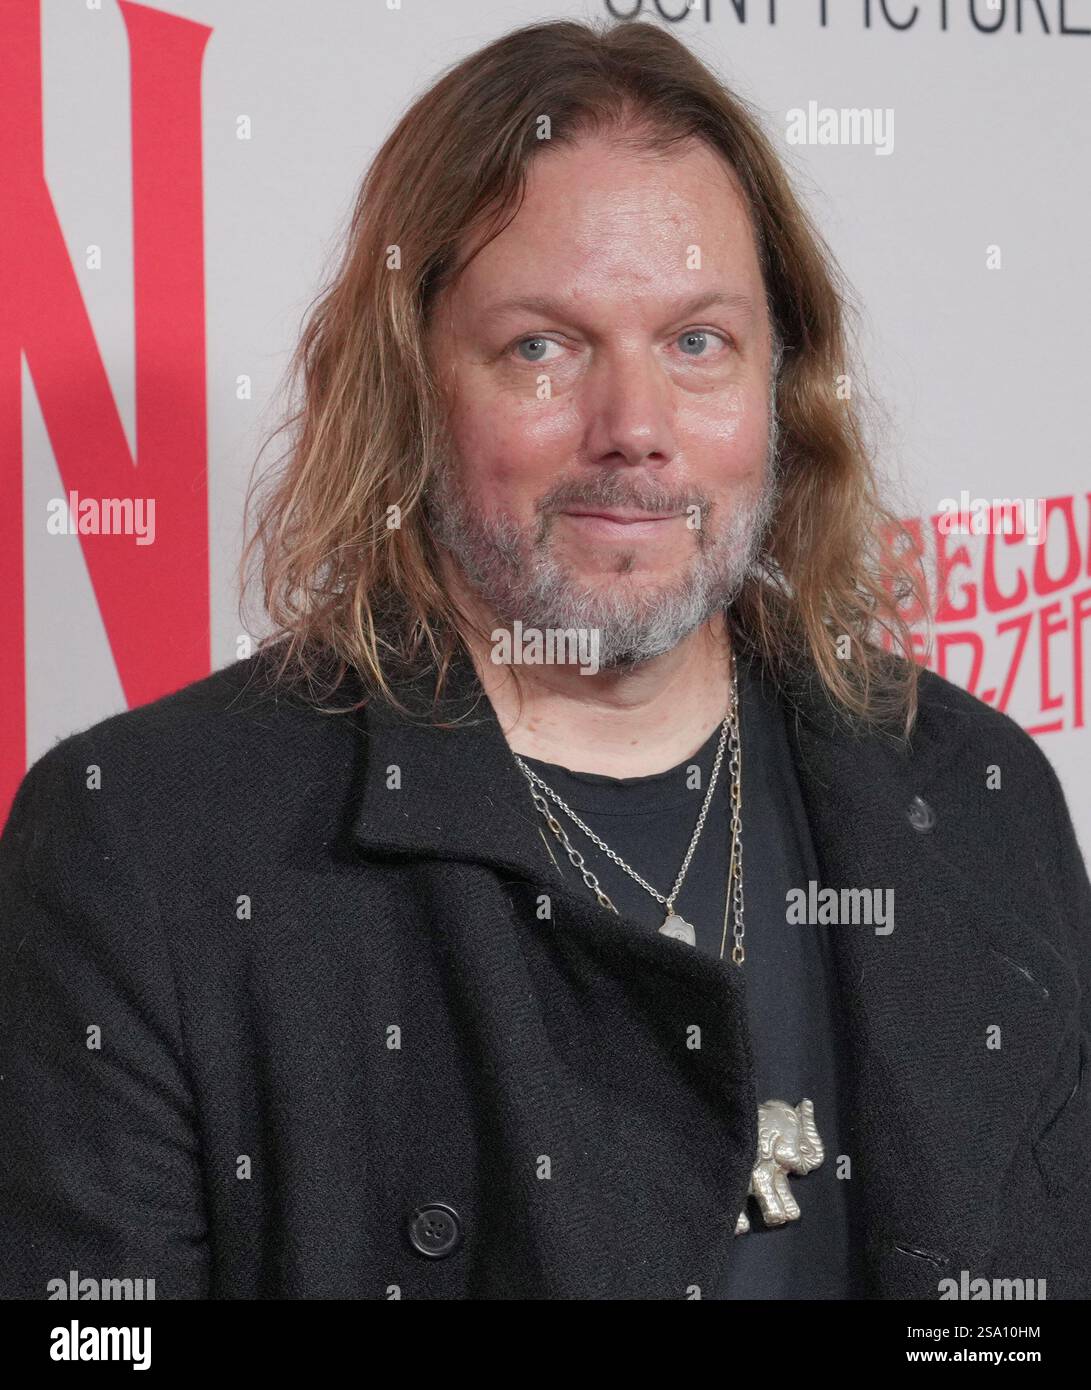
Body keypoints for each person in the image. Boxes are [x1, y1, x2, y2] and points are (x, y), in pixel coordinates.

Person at [1, 17, 1088, 1301]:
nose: (634, 430)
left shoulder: (970, 796)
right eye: (541, 347)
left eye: (696, 343)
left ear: (779, 388)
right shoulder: (143, 847)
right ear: (411, 387)